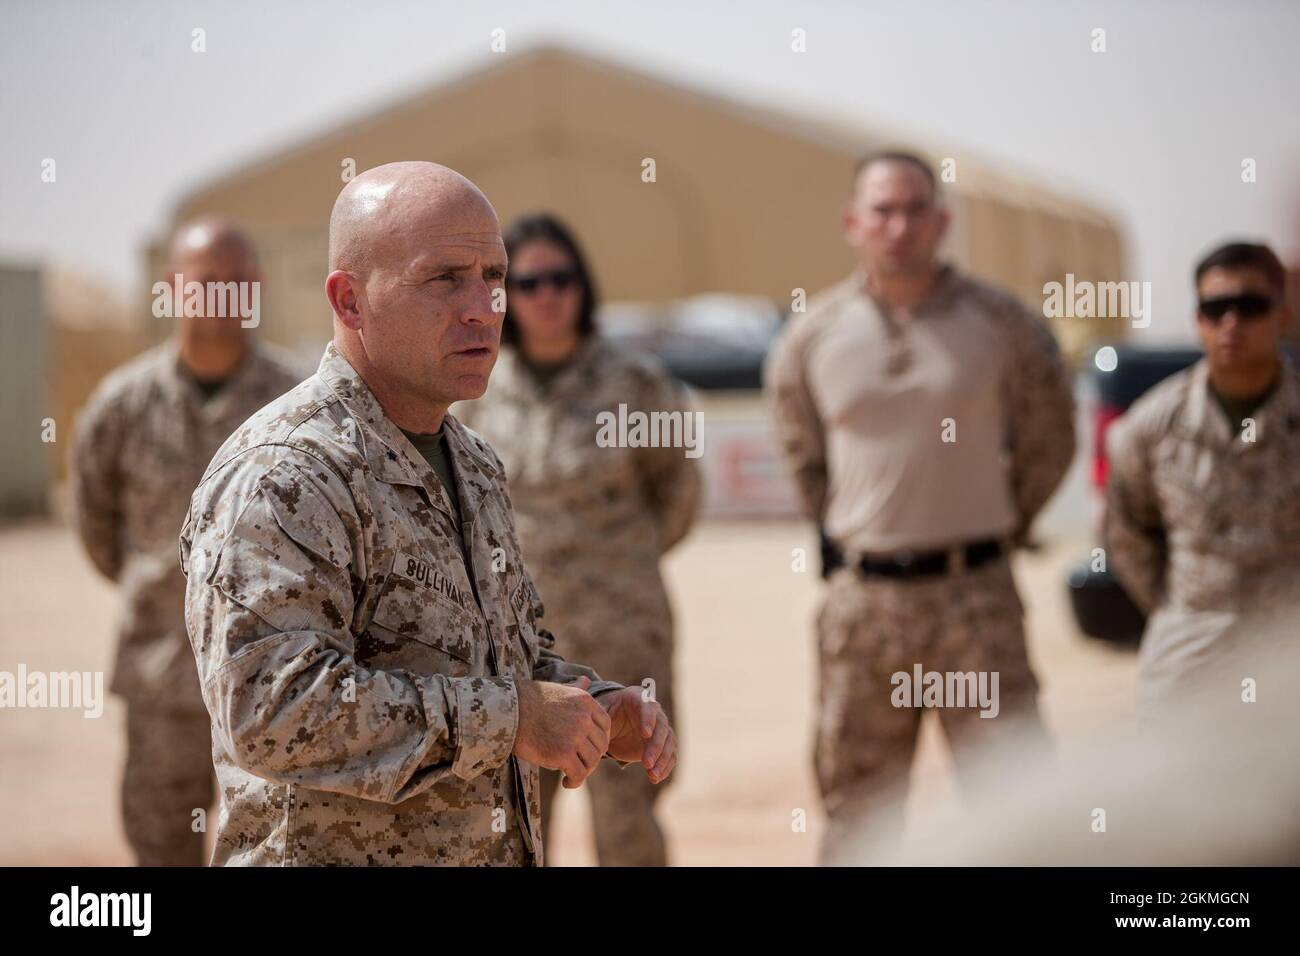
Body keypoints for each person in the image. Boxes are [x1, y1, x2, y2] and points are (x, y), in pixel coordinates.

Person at [179, 162, 677, 866]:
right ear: (349, 301)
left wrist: (590, 702)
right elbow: (271, 711)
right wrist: (513, 721)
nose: (485, 307)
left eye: (494, 277)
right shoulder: (287, 474)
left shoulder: (472, 462)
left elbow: (505, 659)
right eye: (444, 279)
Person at [764, 150, 1075, 861]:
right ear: (853, 222)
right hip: (865, 609)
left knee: (1019, 809)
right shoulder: (810, 337)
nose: (898, 225)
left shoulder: (1004, 324)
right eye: (882, 209)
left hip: (978, 602)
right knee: (859, 817)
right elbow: (805, 457)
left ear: (941, 221)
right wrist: (861, 534)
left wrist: (994, 527)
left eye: (914, 209)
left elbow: (1048, 439)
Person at [456, 213, 701, 866]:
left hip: (624, 629)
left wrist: (617, 561)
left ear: (584, 285)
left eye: (561, 278)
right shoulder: (475, 391)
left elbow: (676, 493)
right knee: (514, 821)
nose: (547, 295)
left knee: (629, 818)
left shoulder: (636, 385)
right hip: (518, 647)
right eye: (528, 281)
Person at [71, 219, 302, 865]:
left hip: (280, 683)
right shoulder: (123, 404)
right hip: (162, 679)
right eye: (207, 281)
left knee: (274, 850)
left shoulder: (298, 402)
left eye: (239, 281)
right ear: (172, 289)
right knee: (160, 846)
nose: (223, 295)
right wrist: (158, 590)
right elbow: (95, 522)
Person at [1105, 240, 1300, 719]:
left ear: (1282, 316)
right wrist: (1182, 608)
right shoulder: (1151, 426)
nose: (1231, 322)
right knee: (1182, 791)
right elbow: (1128, 536)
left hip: (1290, 648)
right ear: (1198, 319)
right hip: (1192, 657)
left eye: (1250, 306)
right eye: (1215, 308)